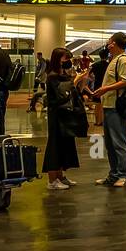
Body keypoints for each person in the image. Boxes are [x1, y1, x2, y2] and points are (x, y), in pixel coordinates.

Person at [87, 32, 126, 188]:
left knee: (120, 141)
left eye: (109, 42)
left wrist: (105, 88)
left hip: (117, 106)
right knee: (110, 142)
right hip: (110, 106)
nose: (107, 45)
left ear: (114, 44)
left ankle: (125, 175)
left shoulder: (123, 60)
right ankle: (114, 174)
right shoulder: (115, 60)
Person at [42, 47, 85, 191]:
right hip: (56, 115)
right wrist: (75, 81)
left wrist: (79, 83)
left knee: (64, 145)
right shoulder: (52, 76)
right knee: (55, 145)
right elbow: (61, 96)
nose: (68, 62)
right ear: (58, 60)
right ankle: (52, 179)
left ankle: (60, 175)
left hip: (65, 114)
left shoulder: (63, 74)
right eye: (65, 59)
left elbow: (71, 93)